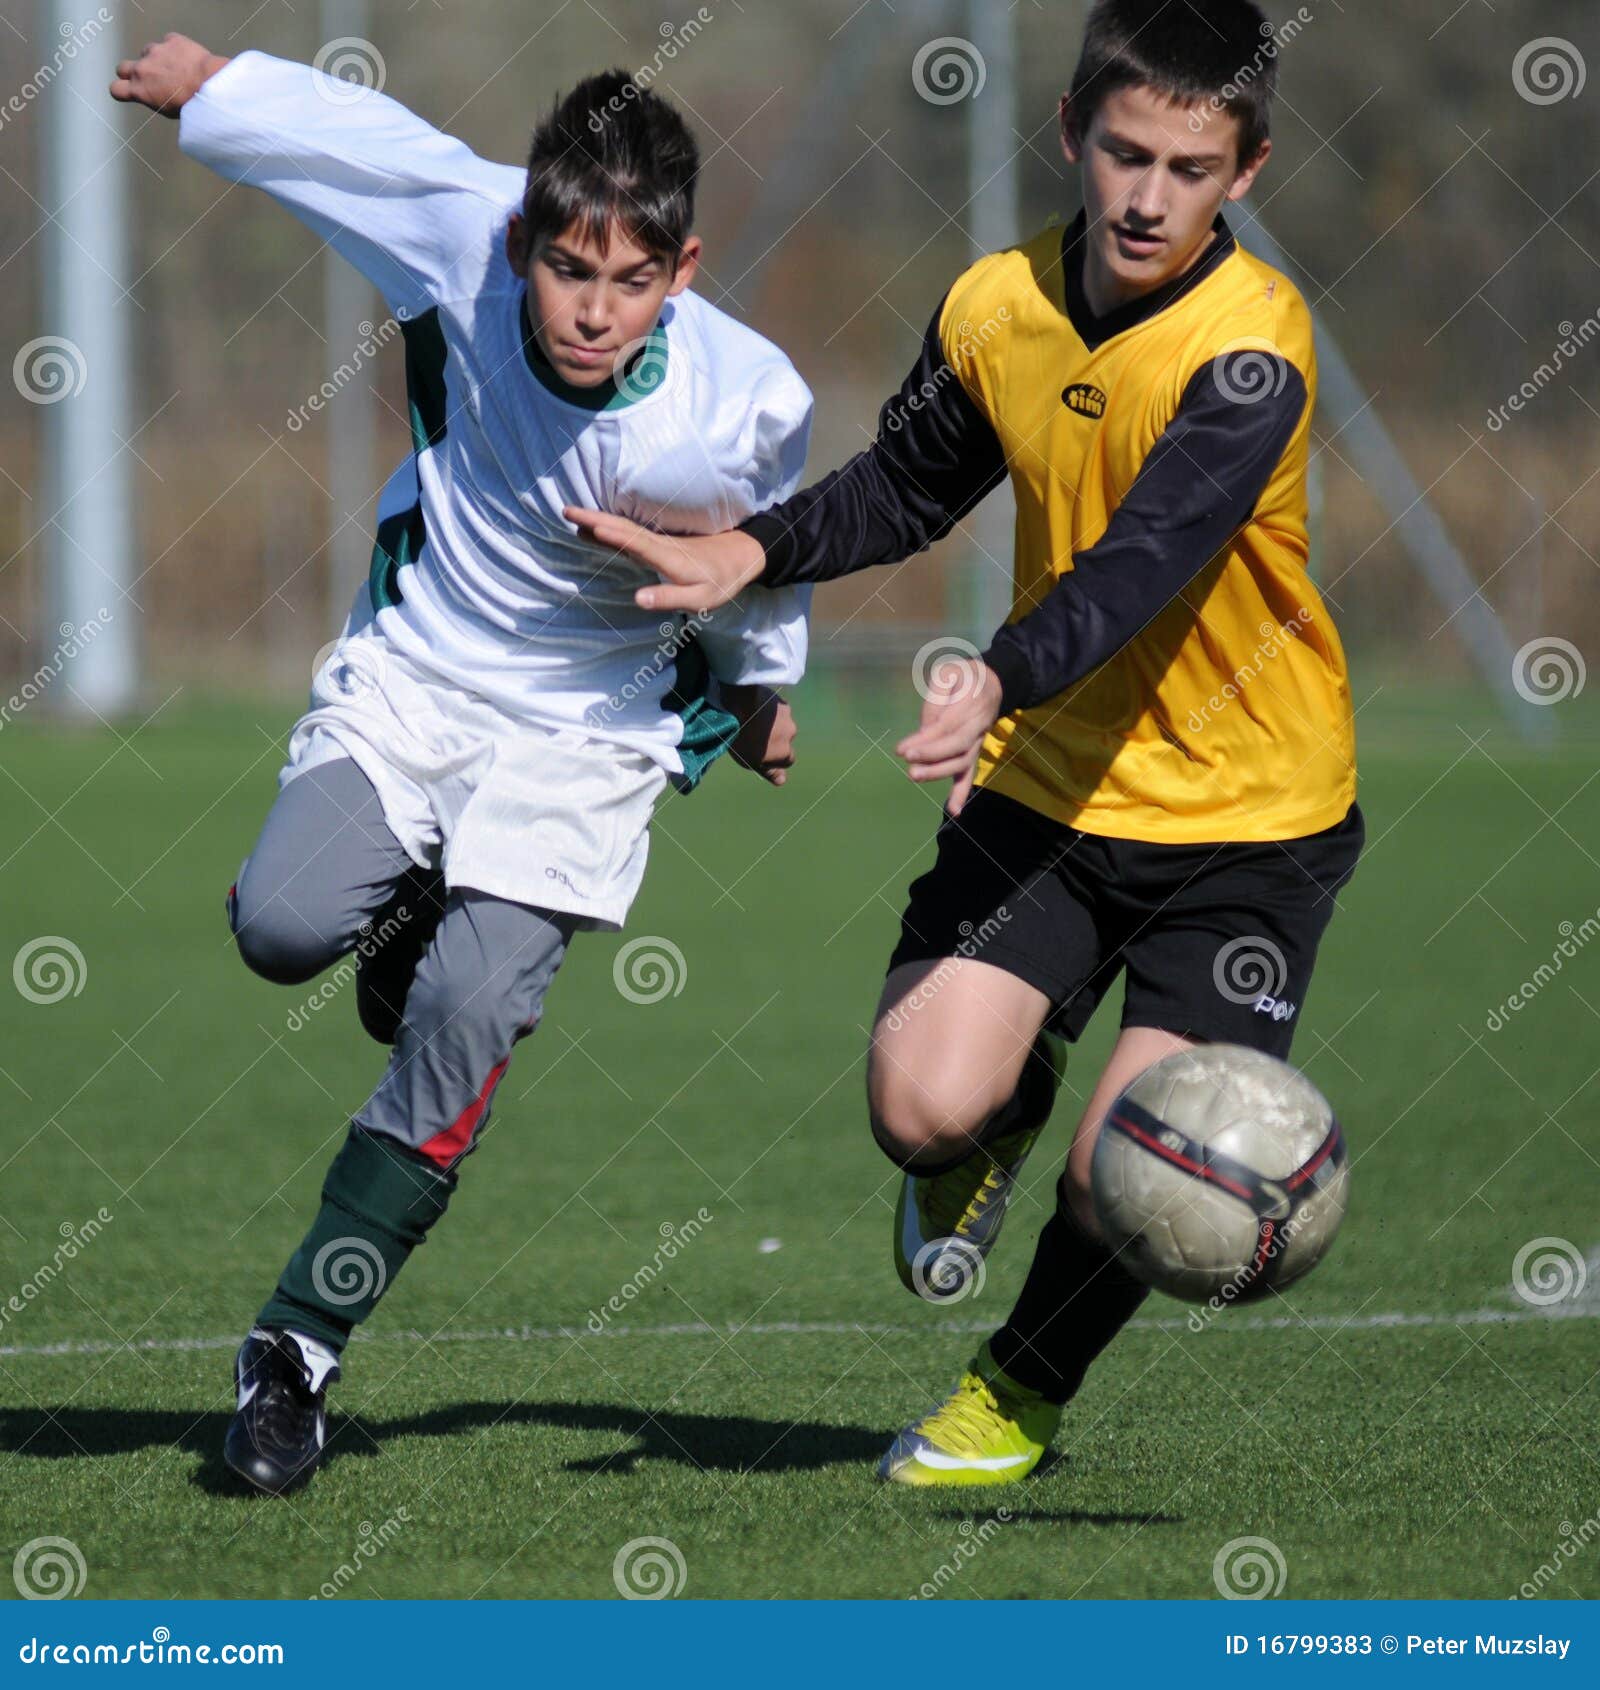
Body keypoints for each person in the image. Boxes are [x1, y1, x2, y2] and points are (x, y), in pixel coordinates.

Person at [566, 0, 1364, 1487]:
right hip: (1053, 794)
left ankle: (1015, 1395)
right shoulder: (998, 302)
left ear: (1245, 171)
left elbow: (1144, 563)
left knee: (1139, 1173)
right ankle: (994, 1121)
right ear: (1072, 133)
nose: (1147, 196)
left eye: (1190, 169)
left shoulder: (1253, 348)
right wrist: (755, 548)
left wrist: (998, 675)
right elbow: (907, 486)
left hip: (1249, 825)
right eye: (1124, 153)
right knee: (920, 1105)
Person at [112, 34, 814, 1495]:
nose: (594, 308)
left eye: (634, 279)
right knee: (280, 927)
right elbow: (359, 146)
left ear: (683, 271)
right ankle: (409, 901)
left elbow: (770, 543)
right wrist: (218, 88)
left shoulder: (745, 397)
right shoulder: (466, 233)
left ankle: (297, 1351)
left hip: (592, 726)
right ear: (521, 242)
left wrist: (762, 685)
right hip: (422, 674)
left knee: (467, 1011)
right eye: (568, 268)